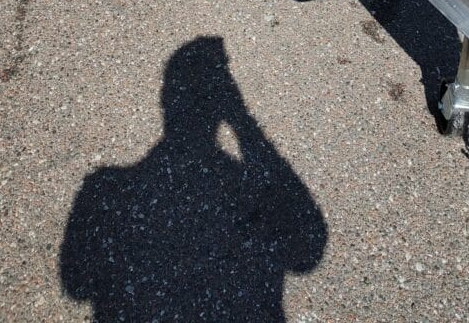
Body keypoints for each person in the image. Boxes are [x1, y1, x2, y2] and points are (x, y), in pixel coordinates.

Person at [60, 36, 327, 322]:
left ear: (165, 99)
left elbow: (77, 284)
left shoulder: (105, 188)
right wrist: (242, 120)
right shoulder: (243, 182)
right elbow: (307, 249)